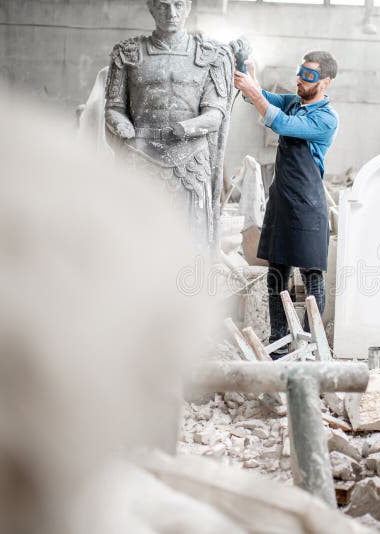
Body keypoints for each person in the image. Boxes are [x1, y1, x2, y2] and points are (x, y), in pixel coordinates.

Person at [105, 0, 234, 252]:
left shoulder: (209, 55)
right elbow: (114, 106)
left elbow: (215, 113)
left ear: (188, 7)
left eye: (178, 4)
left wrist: (186, 127)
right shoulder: (128, 53)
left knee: (189, 241)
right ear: (151, 8)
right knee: (136, 241)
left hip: (190, 162)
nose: (171, 13)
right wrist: (121, 124)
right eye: (163, 6)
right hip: (139, 155)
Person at [234, 51, 339, 358]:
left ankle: (310, 345)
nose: (299, 79)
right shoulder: (293, 101)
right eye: (300, 72)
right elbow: (263, 98)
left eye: (308, 76)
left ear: (325, 82)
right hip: (282, 200)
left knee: (311, 277)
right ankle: (280, 342)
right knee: (276, 273)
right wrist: (250, 75)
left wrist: (254, 92)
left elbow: (279, 123)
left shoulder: (325, 118)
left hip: (307, 205)